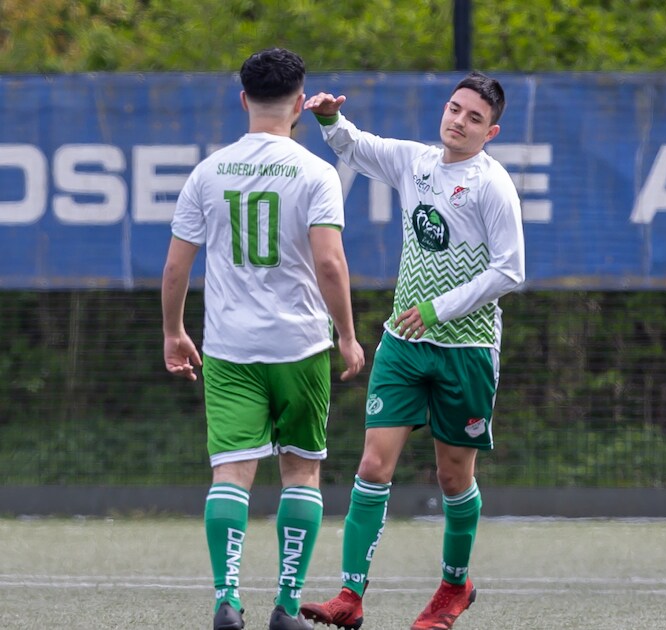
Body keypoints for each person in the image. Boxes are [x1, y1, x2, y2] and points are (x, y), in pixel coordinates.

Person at [298, 71, 525, 630]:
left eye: (474, 118)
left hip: (466, 350)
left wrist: (437, 308)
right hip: (403, 344)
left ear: (490, 131)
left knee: (452, 477)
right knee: (373, 465)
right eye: (454, 109)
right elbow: (356, 145)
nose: (459, 122)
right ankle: (349, 597)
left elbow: (511, 271)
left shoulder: (493, 185)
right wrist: (328, 118)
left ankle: (454, 587)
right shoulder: (416, 162)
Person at [162, 47, 365, 630]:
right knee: (301, 471)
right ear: (301, 104)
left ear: (243, 98)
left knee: (230, 472)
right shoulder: (316, 172)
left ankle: (227, 600)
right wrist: (347, 336)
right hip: (300, 346)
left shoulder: (209, 171)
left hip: (229, 348)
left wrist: (174, 331)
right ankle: (285, 604)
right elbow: (330, 263)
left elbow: (177, 267)